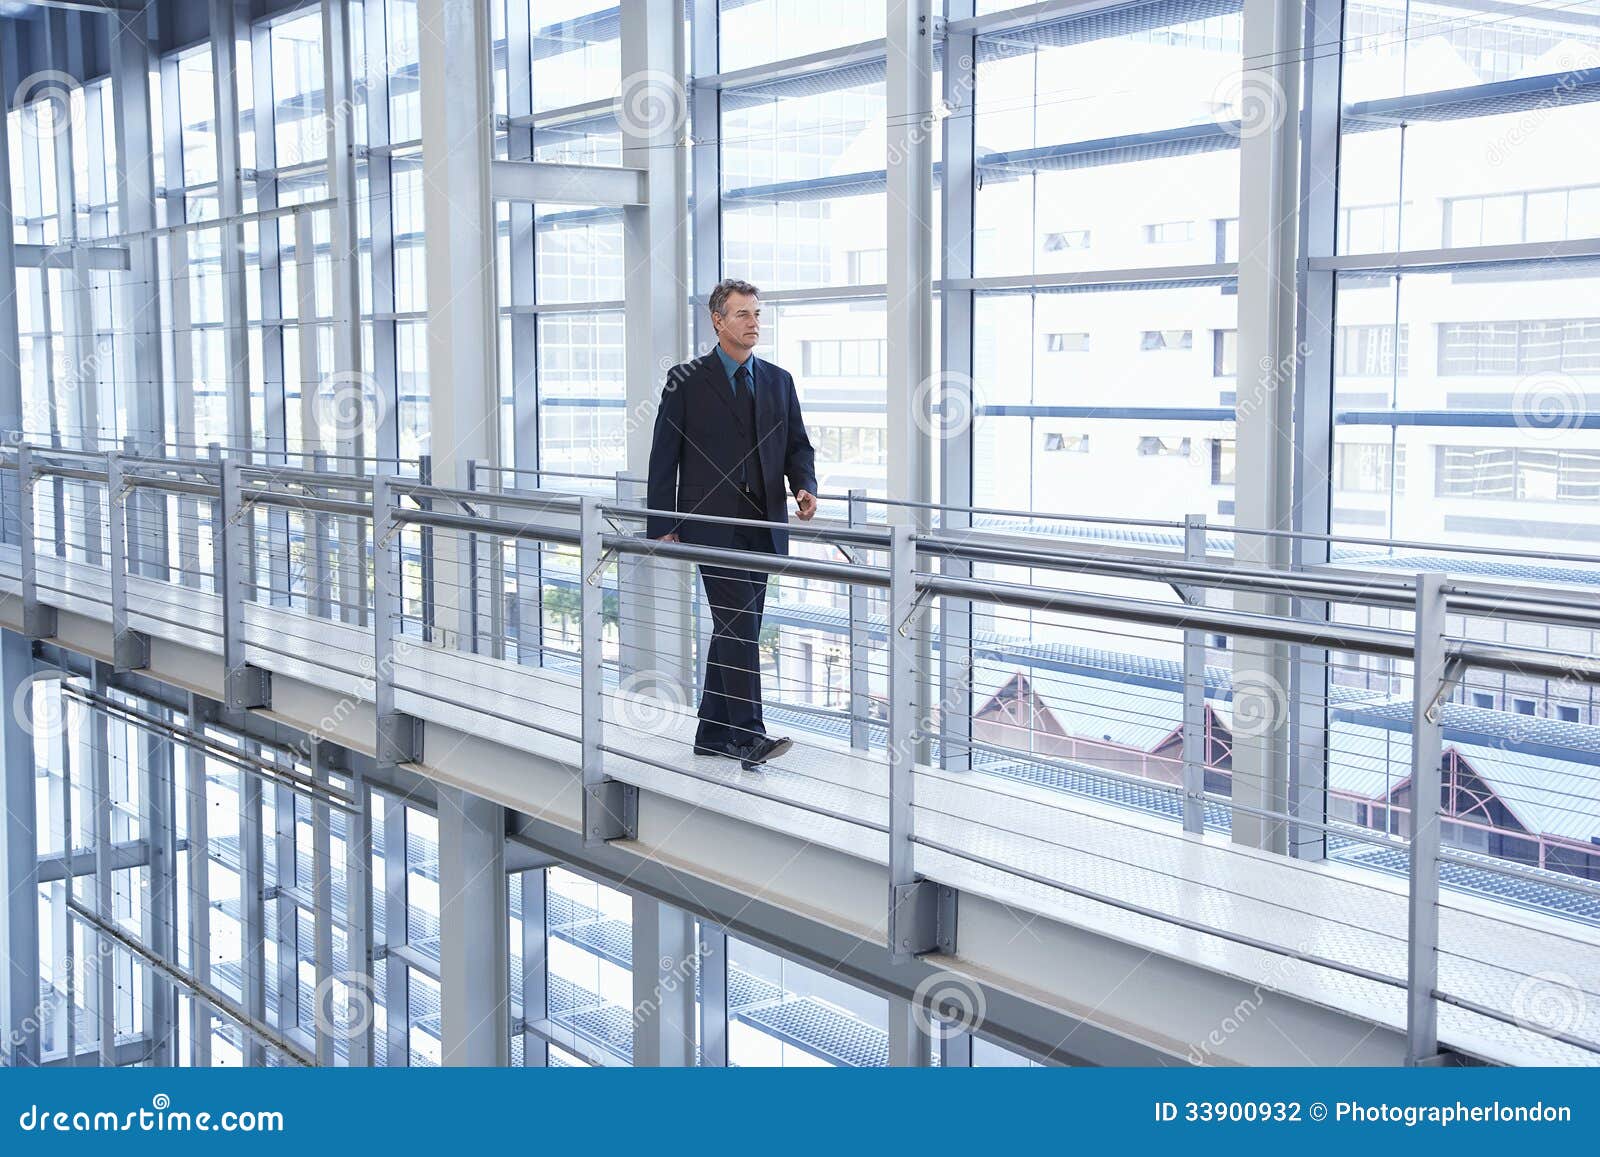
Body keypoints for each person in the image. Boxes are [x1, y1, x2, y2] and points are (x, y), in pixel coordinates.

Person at [646, 279, 818, 769]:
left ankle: (710, 734)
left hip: (763, 522)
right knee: (739, 625)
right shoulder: (685, 379)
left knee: (737, 626)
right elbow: (665, 453)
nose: (754, 323)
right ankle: (747, 735)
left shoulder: (778, 381)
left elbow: (796, 446)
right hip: (710, 523)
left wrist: (803, 485)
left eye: (757, 314)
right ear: (717, 321)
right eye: (743, 314)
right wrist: (663, 521)